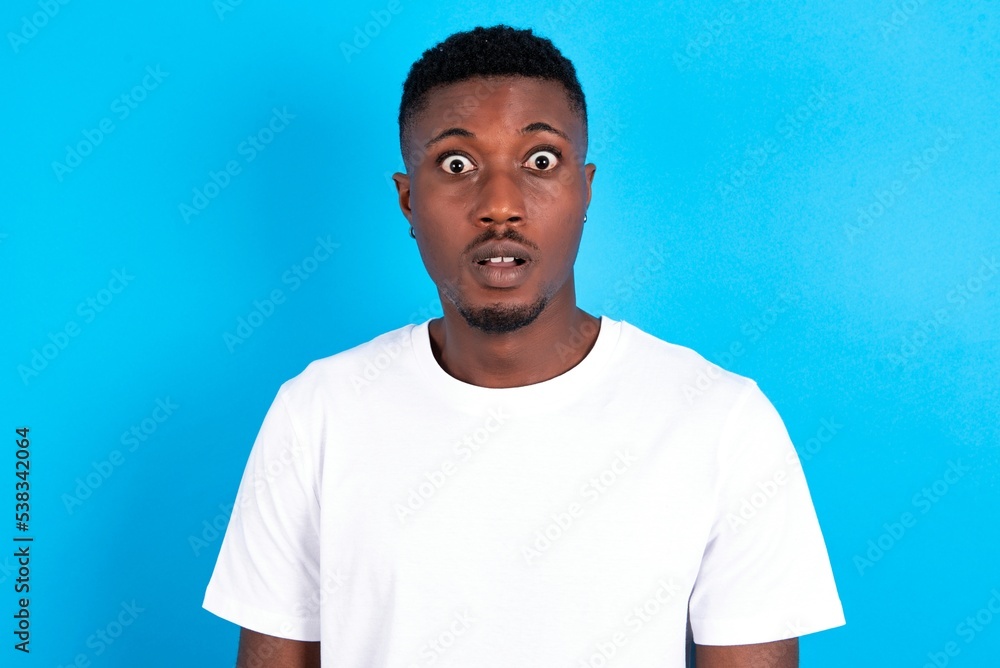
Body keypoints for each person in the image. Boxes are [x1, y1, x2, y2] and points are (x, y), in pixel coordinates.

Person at [203, 24, 846, 668]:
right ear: (406, 200)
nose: (500, 206)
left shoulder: (720, 421)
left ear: (586, 189)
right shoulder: (318, 413)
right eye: (457, 165)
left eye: (540, 161)